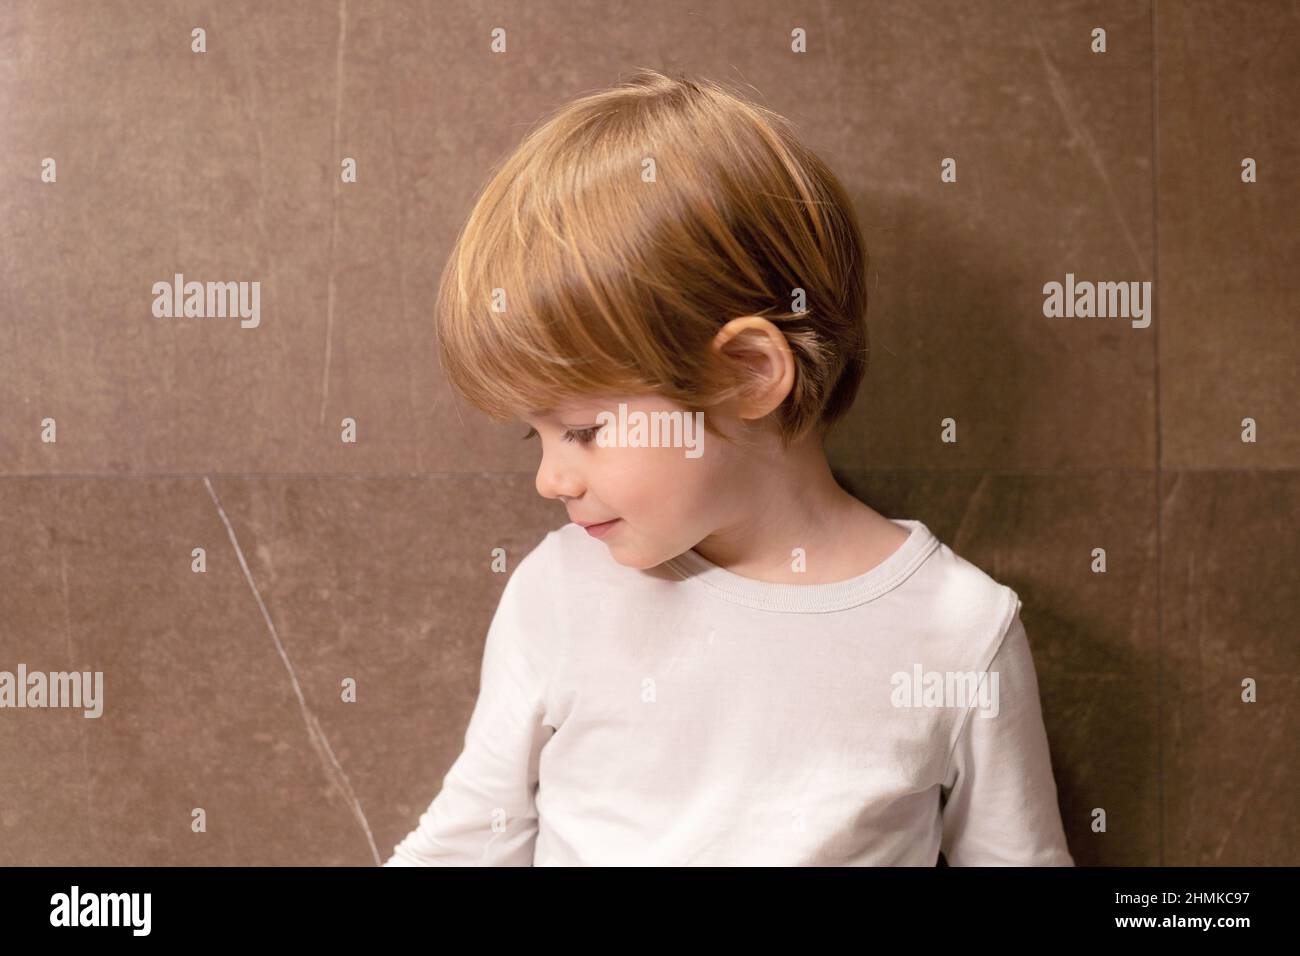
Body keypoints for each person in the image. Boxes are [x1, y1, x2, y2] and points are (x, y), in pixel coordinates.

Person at [385, 68, 1073, 866]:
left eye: (580, 429)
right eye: (532, 436)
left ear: (749, 372)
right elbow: (467, 844)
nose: (550, 478)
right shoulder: (562, 591)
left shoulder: (957, 632)